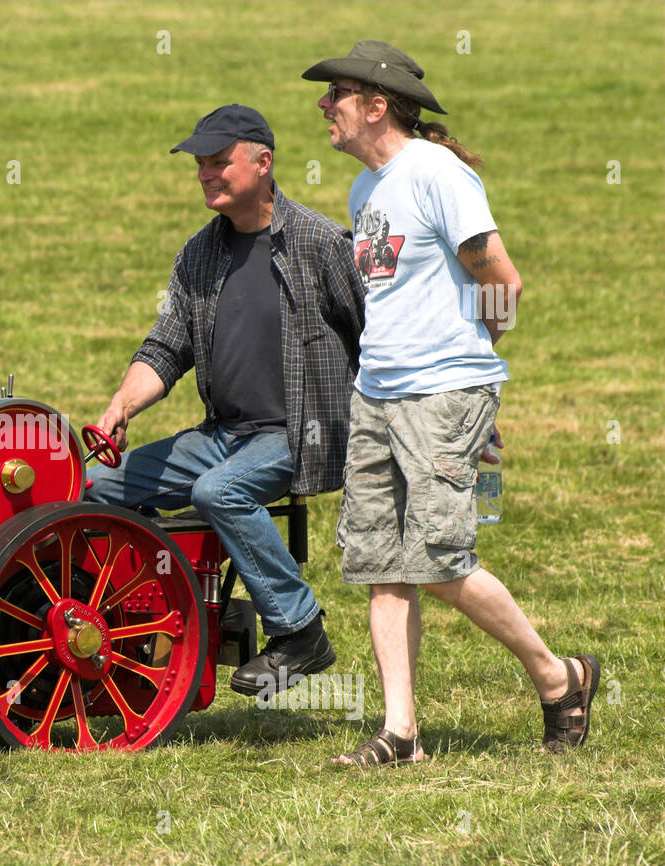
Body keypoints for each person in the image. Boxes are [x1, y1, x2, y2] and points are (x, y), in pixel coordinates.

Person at [303, 41, 599, 764]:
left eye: (334, 93)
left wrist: (474, 370)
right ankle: (401, 734)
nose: (322, 106)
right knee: (379, 563)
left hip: (442, 390)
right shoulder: (363, 191)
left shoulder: (436, 173)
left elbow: (503, 283)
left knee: (438, 559)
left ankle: (559, 677)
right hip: (377, 391)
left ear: (376, 106)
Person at [85, 104, 366, 697]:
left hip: (300, 434)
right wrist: (121, 407)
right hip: (222, 434)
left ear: (263, 164)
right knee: (94, 488)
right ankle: (141, 632)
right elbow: (165, 347)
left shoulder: (320, 243)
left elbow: (376, 335)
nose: (207, 174)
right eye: (200, 166)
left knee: (219, 490)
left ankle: (299, 629)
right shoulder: (198, 254)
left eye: (219, 162)